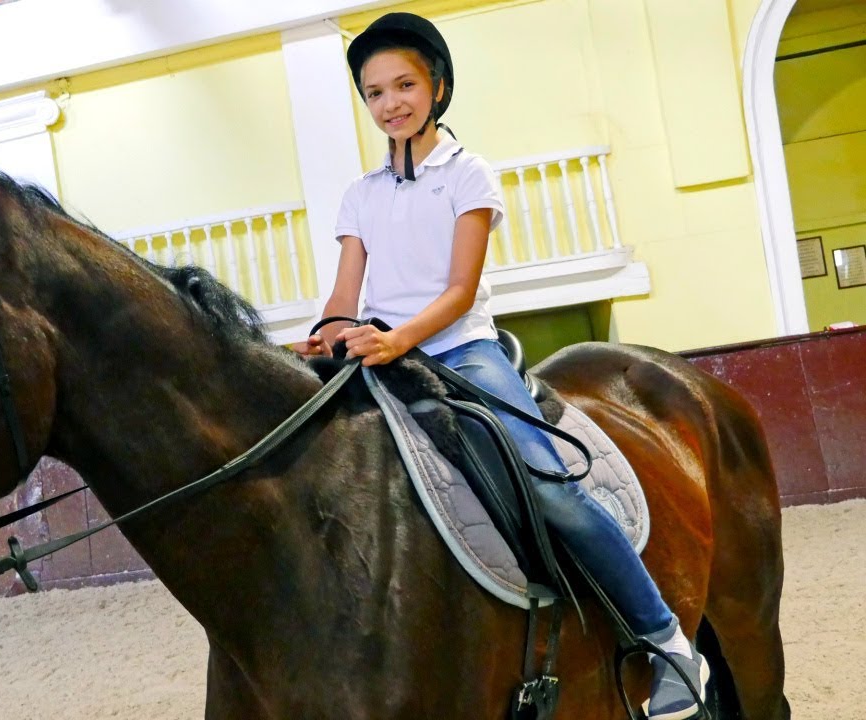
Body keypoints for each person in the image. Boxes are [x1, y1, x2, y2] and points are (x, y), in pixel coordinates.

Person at [297, 12, 709, 720]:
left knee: (548, 484)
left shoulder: (469, 175)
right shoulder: (360, 194)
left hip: (462, 348)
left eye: (404, 84)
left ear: (438, 86)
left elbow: (458, 292)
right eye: (374, 92)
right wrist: (330, 331)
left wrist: (398, 340)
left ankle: (667, 640)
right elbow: (343, 296)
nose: (391, 103)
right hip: (384, 349)